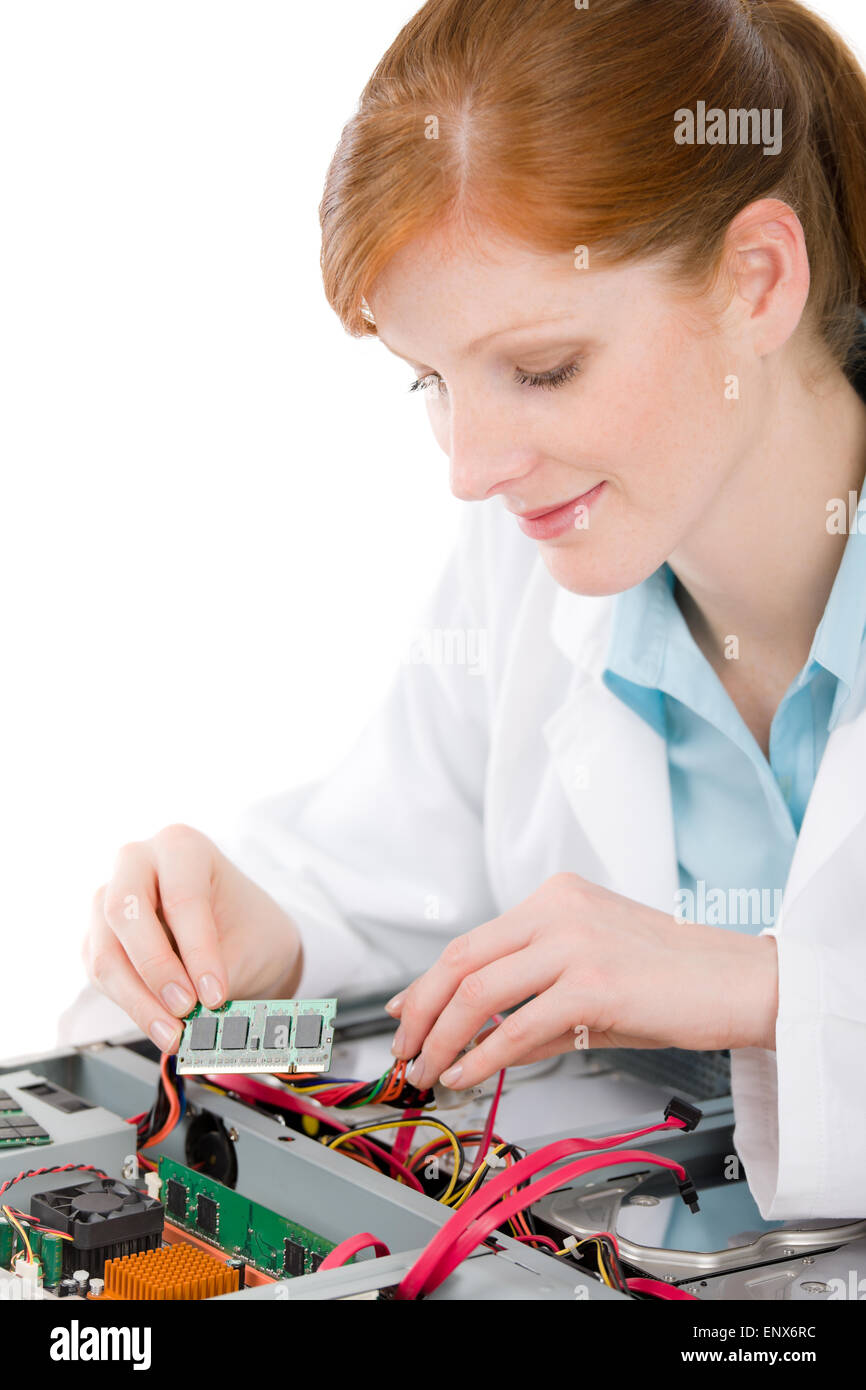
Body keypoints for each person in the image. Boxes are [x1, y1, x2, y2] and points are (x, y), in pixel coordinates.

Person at [72, 0, 866, 1240]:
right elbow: (402, 876)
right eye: (430, 382)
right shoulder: (540, 548)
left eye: (541, 369)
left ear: (756, 283)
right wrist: (255, 936)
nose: (471, 465)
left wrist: (768, 992)